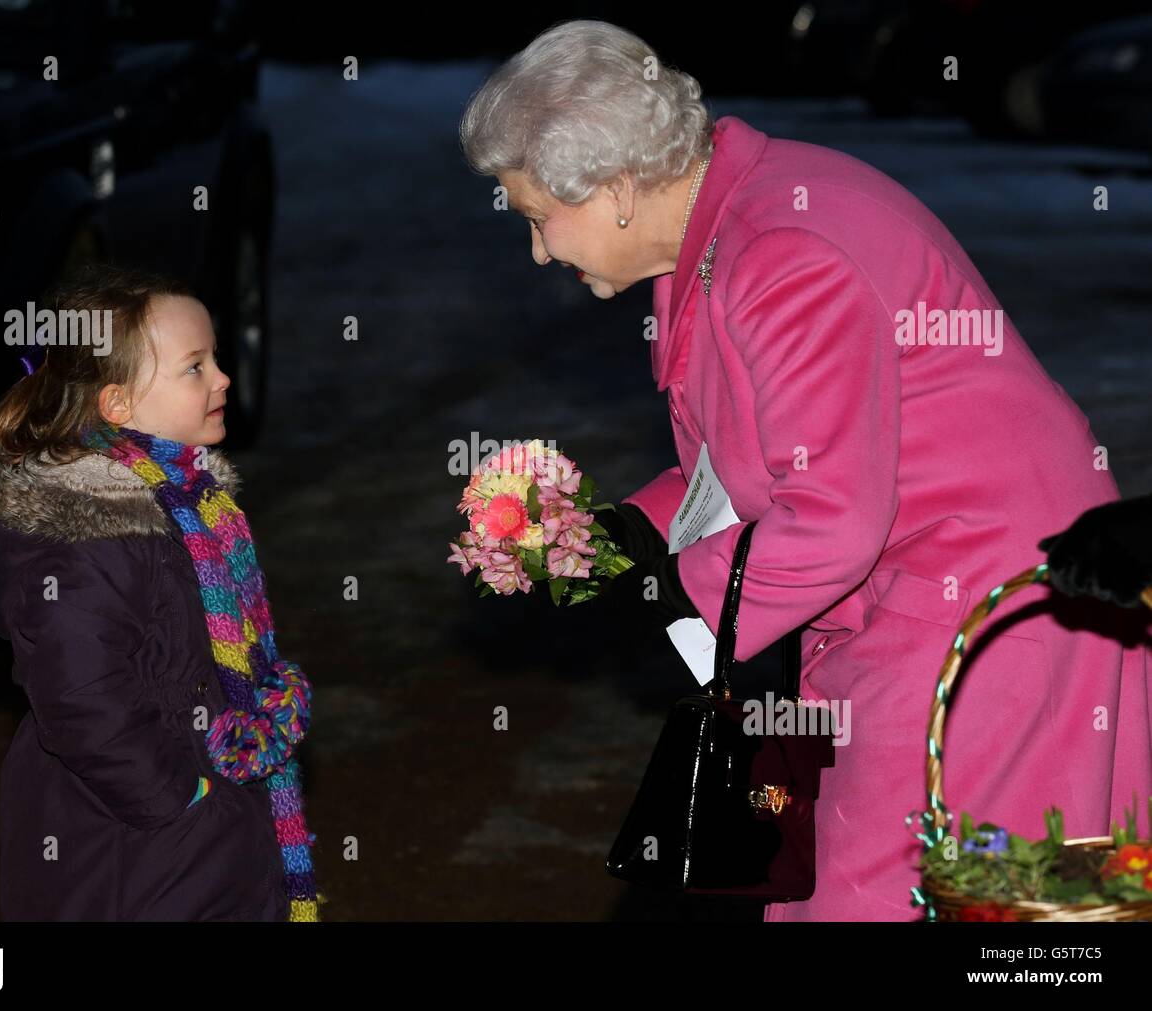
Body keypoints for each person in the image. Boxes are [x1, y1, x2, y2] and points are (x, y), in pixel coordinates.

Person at [459, 19, 1152, 921]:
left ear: (619, 187)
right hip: (914, 587)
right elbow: (755, 467)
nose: (541, 251)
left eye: (540, 218)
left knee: (916, 897)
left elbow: (831, 520)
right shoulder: (714, 237)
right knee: (918, 895)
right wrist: (621, 535)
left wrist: (668, 596)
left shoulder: (783, 250)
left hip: (990, 600)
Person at [0, 263, 319, 921]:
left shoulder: (187, 507)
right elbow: (82, 698)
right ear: (118, 405)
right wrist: (177, 796)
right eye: (195, 367)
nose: (222, 377)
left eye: (214, 357)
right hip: (135, 855)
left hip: (204, 839)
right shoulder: (84, 535)